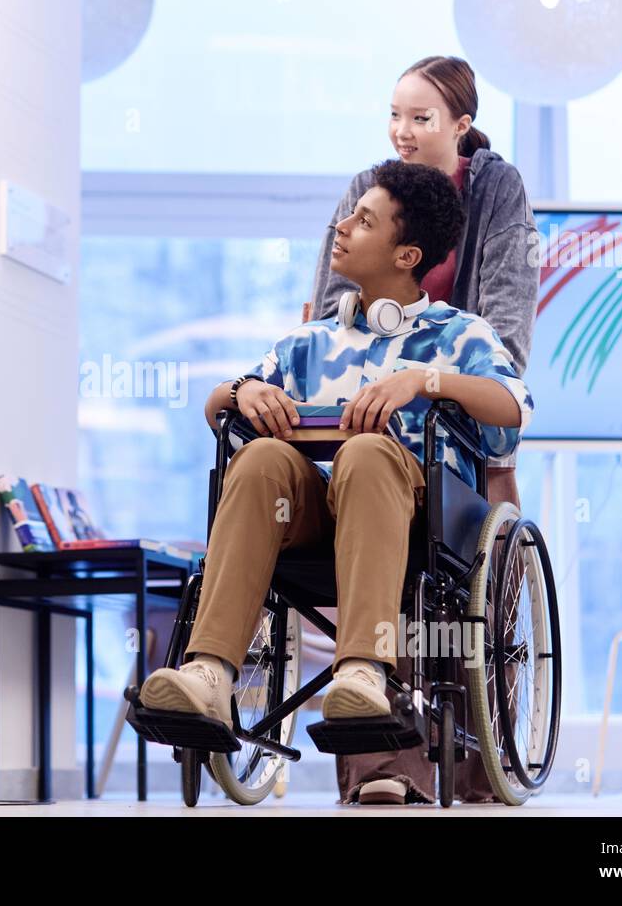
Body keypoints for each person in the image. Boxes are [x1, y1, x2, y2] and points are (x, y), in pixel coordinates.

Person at [138, 161, 534, 802]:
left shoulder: (460, 336)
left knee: (368, 454)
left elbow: (513, 408)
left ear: (407, 254)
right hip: (316, 519)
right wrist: (246, 390)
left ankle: (364, 674)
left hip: (415, 521)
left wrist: (423, 380)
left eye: (363, 220)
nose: (341, 226)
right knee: (261, 460)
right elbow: (215, 408)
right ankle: (209, 673)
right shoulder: (307, 344)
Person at [306, 54, 542, 804]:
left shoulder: (496, 192)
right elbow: (326, 305)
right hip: (370, 402)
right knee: (370, 544)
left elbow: (507, 326)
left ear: (461, 126)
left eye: (422, 119)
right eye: (396, 115)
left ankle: (484, 762)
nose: (403, 133)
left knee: (482, 564)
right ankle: (382, 766)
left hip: (456, 383)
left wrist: (451, 372)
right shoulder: (368, 187)